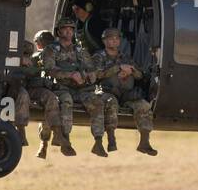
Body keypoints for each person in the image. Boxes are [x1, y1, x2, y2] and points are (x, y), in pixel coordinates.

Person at [91, 27, 158, 156]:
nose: (114, 41)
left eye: (117, 38)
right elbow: (96, 75)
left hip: (126, 94)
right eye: (111, 38)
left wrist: (130, 71)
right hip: (106, 92)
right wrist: (118, 68)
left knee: (143, 106)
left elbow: (140, 75)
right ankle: (111, 140)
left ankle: (144, 143)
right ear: (104, 41)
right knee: (111, 102)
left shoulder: (125, 57)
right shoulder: (98, 56)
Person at [43, 18, 97, 157]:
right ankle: (65, 139)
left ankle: (100, 141)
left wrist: (85, 76)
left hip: (81, 89)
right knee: (66, 101)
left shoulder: (80, 50)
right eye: (65, 29)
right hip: (60, 87)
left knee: (98, 102)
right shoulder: (51, 49)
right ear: (59, 32)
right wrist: (71, 75)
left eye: (71, 29)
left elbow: (92, 70)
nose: (68, 31)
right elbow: (50, 70)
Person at [18, 29, 63, 159]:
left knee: (51, 99)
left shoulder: (52, 56)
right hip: (25, 88)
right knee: (24, 97)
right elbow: (27, 74)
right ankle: (23, 133)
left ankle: (55, 134)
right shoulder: (34, 58)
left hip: (42, 89)